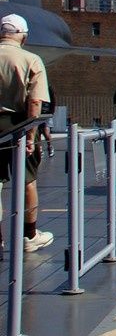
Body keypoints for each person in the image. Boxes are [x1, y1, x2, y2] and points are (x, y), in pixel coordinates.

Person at [0, 13, 54, 253]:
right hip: (19, 126)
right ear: (22, 36)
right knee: (27, 181)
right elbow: (35, 103)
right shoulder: (32, 60)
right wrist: (31, 137)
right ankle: (29, 235)